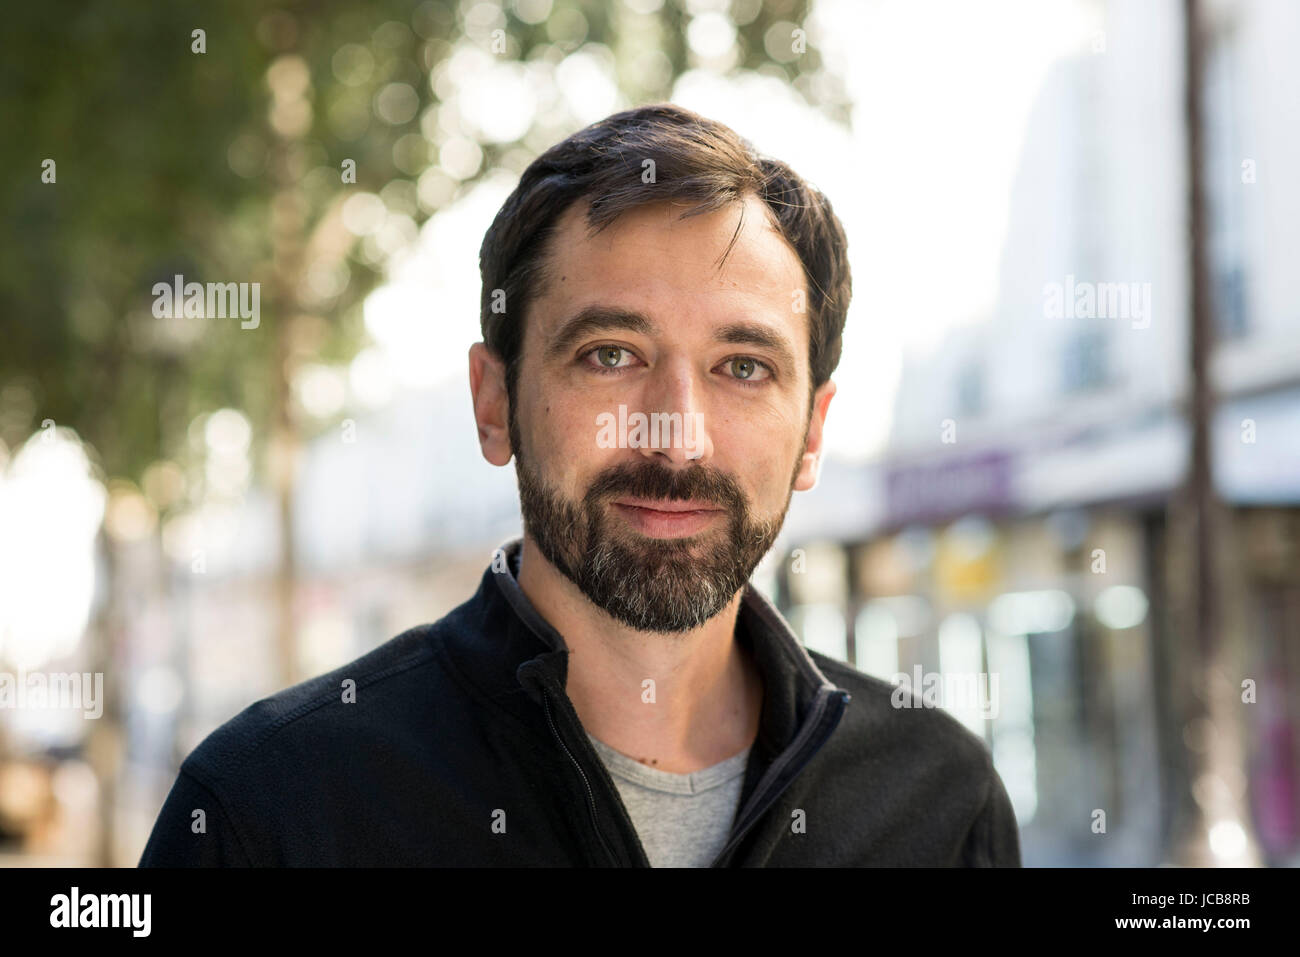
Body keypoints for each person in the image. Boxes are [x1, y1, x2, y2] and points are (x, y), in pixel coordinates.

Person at [139, 103, 1021, 867]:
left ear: (812, 431)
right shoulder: (270, 812)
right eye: (610, 355)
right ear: (495, 403)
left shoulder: (941, 804)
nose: (676, 433)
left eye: (742, 367)